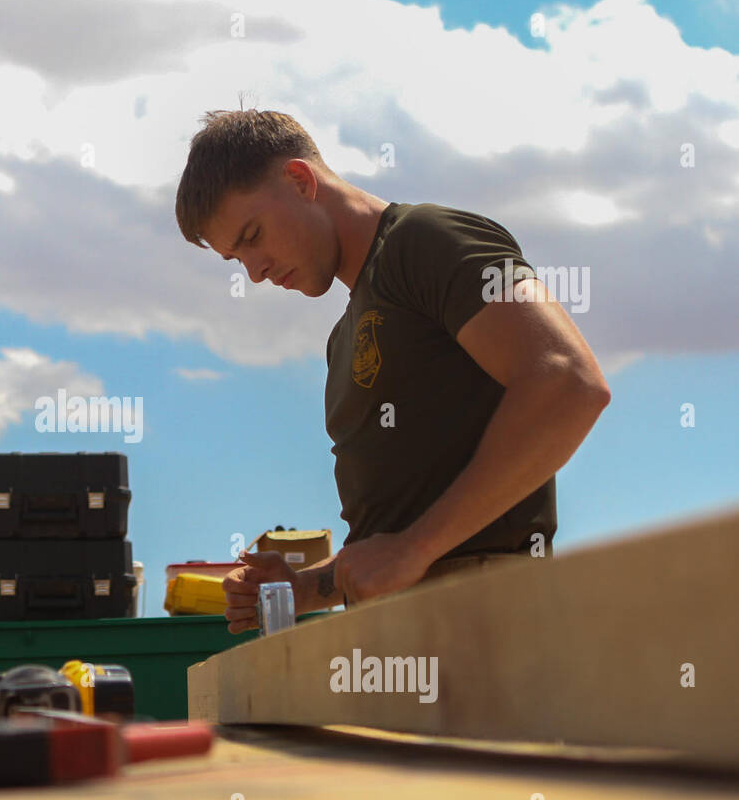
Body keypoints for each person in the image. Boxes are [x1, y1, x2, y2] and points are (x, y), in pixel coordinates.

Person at [172, 109, 611, 631]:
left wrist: (417, 546)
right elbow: (388, 549)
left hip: (487, 627)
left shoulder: (425, 240)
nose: (256, 271)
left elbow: (568, 382)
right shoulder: (342, 340)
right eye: (236, 259)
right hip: (398, 642)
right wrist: (305, 588)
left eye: (253, 235)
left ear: (299, 180)